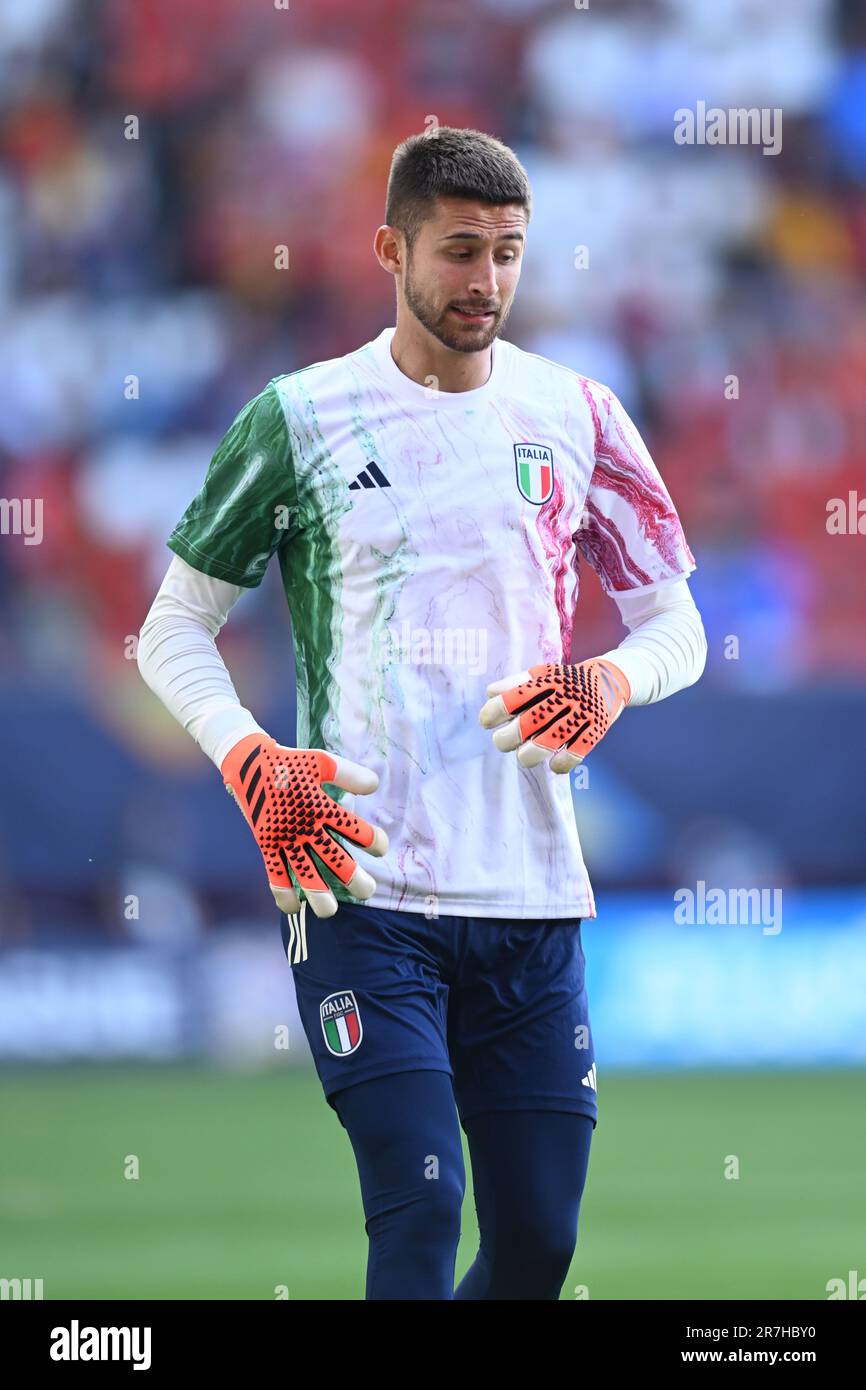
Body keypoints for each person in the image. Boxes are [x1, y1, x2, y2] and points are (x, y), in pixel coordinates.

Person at [138, 126, 707, 1300]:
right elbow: (169, 627)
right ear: (391, 248)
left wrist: (609, 680)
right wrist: (252, 758)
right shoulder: (299, 418)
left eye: (506, 253)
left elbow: (676, 627)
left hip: (531, 897)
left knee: (539, 1241)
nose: (485, 281)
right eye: (458, 252)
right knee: (420, 1206)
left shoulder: (581, 414)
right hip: (360, 884)